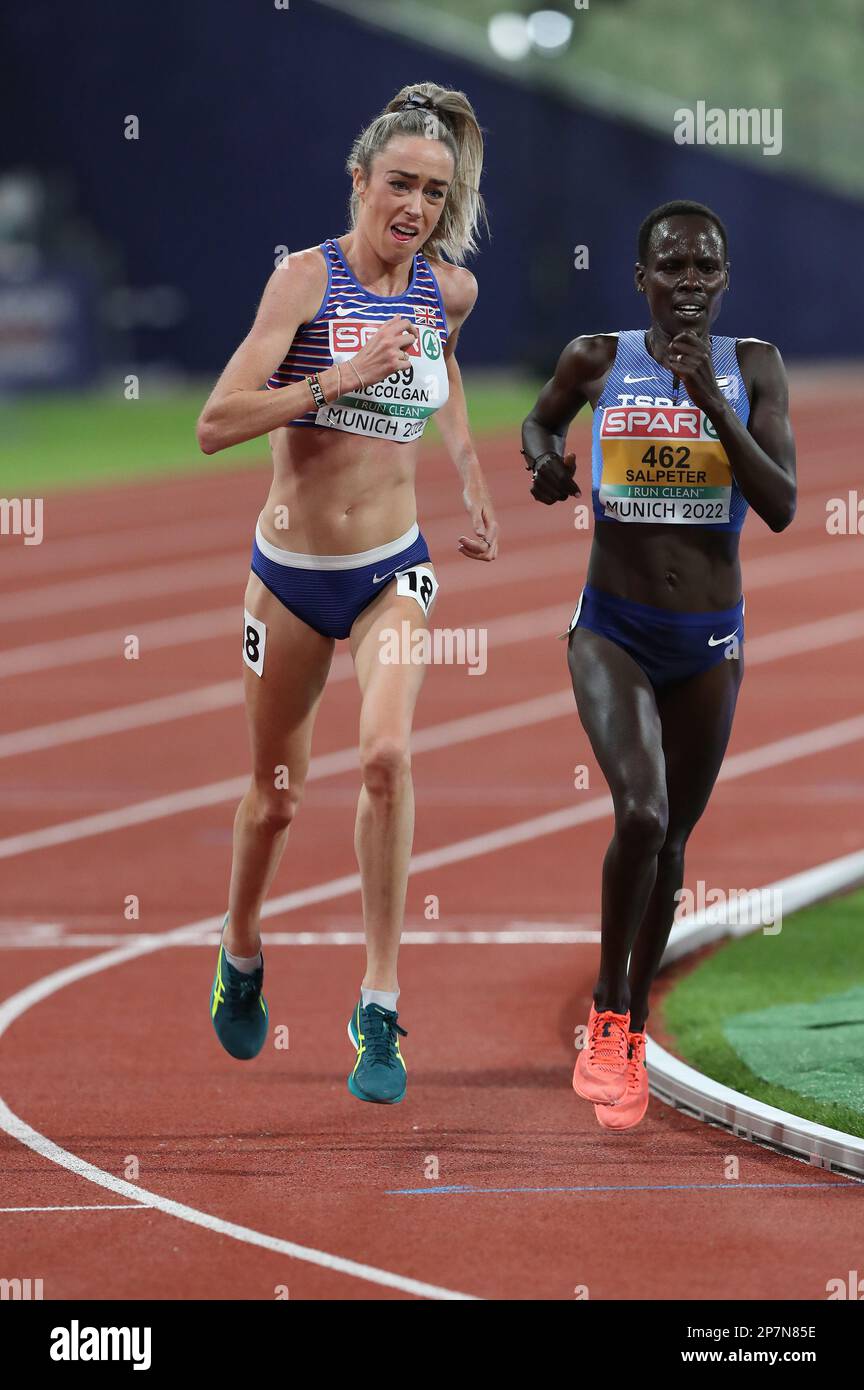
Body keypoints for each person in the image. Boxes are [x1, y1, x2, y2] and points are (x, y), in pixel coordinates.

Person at [197, 82, 497, 1105]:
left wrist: (467, 473)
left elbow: (442, 375)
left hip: (391, 573)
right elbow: (215, 421)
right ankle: (240, 948)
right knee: (274, 800)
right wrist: (338, 376)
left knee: (384, 756)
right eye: (399, 185)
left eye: (432, 192)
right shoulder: (302, 282)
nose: (412, 207)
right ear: (359, 180)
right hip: (286, 580)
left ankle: (377, 1002)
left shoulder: (444, 292)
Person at [521, 199, 796, 1129]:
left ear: (723, 279)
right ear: (640, 278)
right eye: (670, 267)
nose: (688, 283)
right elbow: (539, 424)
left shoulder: (753, 368)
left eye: (704, 268)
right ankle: (610, 1009)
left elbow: (784, 502)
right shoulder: (599, 358)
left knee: (673, 839)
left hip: (710, 641)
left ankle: (632, 1022)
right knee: (640, 812)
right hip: (613, 630)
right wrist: (546, 463)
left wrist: (712, 402)